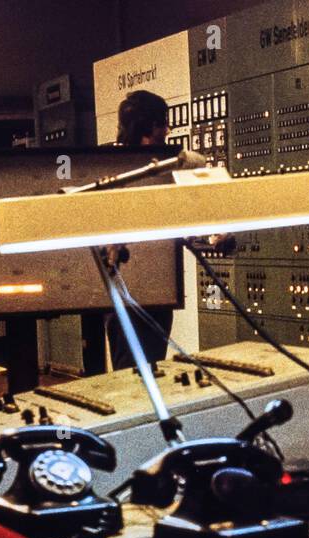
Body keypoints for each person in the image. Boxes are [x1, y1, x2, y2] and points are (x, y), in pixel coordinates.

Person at [105, 90, 210, 370]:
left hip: (152, 292)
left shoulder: (162, 164)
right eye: (165, 123)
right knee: (131, 374)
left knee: (146, 367)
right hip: (132, 290)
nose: (168, 130)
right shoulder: (117, 169)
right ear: (153, 125)